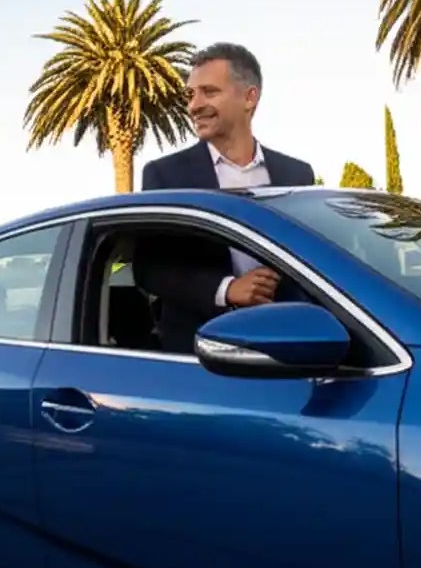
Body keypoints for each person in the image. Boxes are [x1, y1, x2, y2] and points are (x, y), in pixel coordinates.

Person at [133, 42, 316, 354]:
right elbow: (150, 268)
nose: (193, 105)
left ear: (249, 97)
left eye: (209, 92)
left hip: (287, 352)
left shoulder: (297, 174)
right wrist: (227, 289)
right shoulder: (166, 176)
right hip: (199, 357)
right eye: (191, 94)